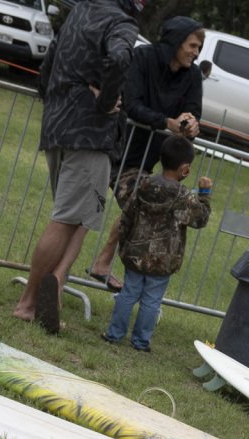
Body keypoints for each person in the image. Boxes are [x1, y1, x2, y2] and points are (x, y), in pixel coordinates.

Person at [13, 0, 142, 333]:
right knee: (67, 218)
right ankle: (28, 302)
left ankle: (53, 288)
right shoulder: (122, 23)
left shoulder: (81, 10)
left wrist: (54, 98)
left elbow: (50, 60)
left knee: (77, 217)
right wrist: (102, 102)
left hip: (57, 125)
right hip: (90, 134)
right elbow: (119, 57)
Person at [87, 14, 205, 291]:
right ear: (176, 42)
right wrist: (167, 123)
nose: (196, 53)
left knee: (140, 204)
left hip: (149, 162)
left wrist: (191, 124)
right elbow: (132, 103)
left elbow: (194, 110)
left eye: (199, 48)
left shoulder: (193, 75)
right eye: (192, 46)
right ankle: (62, 273)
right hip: (115, 148)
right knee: (85, 211)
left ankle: (105, 267)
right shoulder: (143, 57)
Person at [102, 134, 211, 352]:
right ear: (185, 169)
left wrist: (124, 244)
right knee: (152, 300)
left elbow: (127, 215)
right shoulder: (183, 196)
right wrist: (205, 194)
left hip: (135, 252)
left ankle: (114, 333)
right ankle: (141, 341)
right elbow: (200, 219)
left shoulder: (143, 184)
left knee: (128, 294)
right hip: (163, 260)